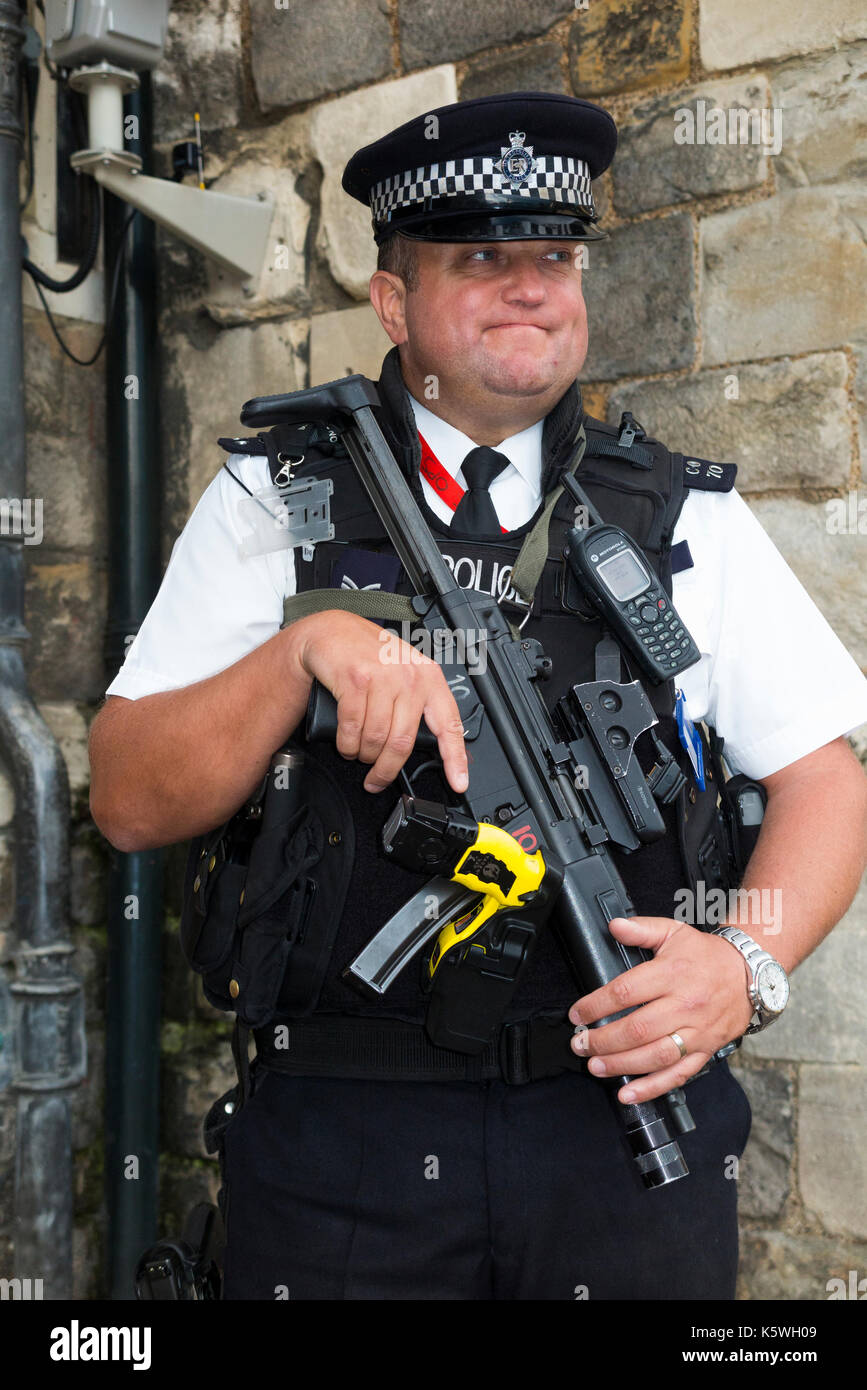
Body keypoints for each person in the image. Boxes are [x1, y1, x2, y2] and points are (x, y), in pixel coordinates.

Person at [89, 91, 867, 1301]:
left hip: (617, 1134)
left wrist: (745, 966)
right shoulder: (273, 502)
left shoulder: (679, 518)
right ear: (393, 301)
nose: (531, 287)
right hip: (344, 1145)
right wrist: (299, 654)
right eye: (482, 259)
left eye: (554, 257)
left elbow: (825, 776)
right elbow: (130, 795)